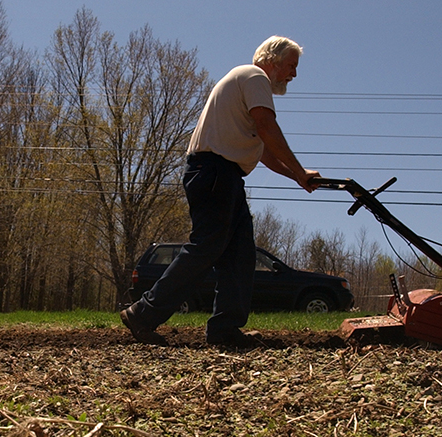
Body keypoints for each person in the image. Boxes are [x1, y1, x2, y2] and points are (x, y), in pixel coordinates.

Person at [121, 35, 320, 347]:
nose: (293, 74)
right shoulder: (254, 76)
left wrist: (296, 177)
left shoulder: (245, 84)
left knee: (240, 255)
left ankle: (225, 329)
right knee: (206, 247)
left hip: (224, 176)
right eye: (291, 66)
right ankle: (143, 313)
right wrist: (300, 170)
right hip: (214, 172)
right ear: (271, 59)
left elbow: (265, 150)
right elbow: (268, 128)